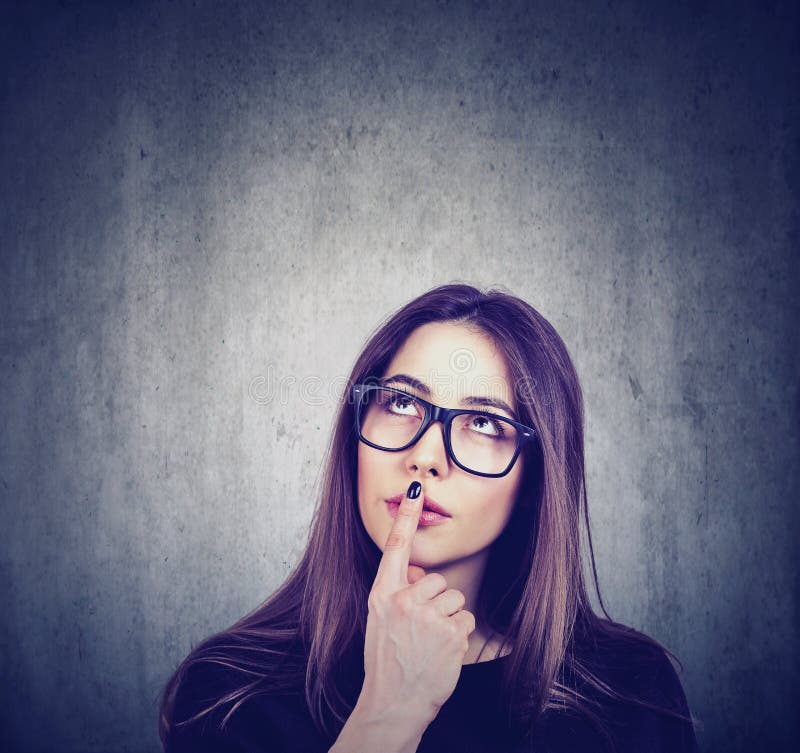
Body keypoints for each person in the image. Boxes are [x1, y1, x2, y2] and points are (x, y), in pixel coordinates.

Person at [158, 283, 700, 752]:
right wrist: (388, 715)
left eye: (485, 423)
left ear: (535, 480)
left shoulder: (630, 694)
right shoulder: (229, 696)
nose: (426, 456)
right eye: (399, 404)